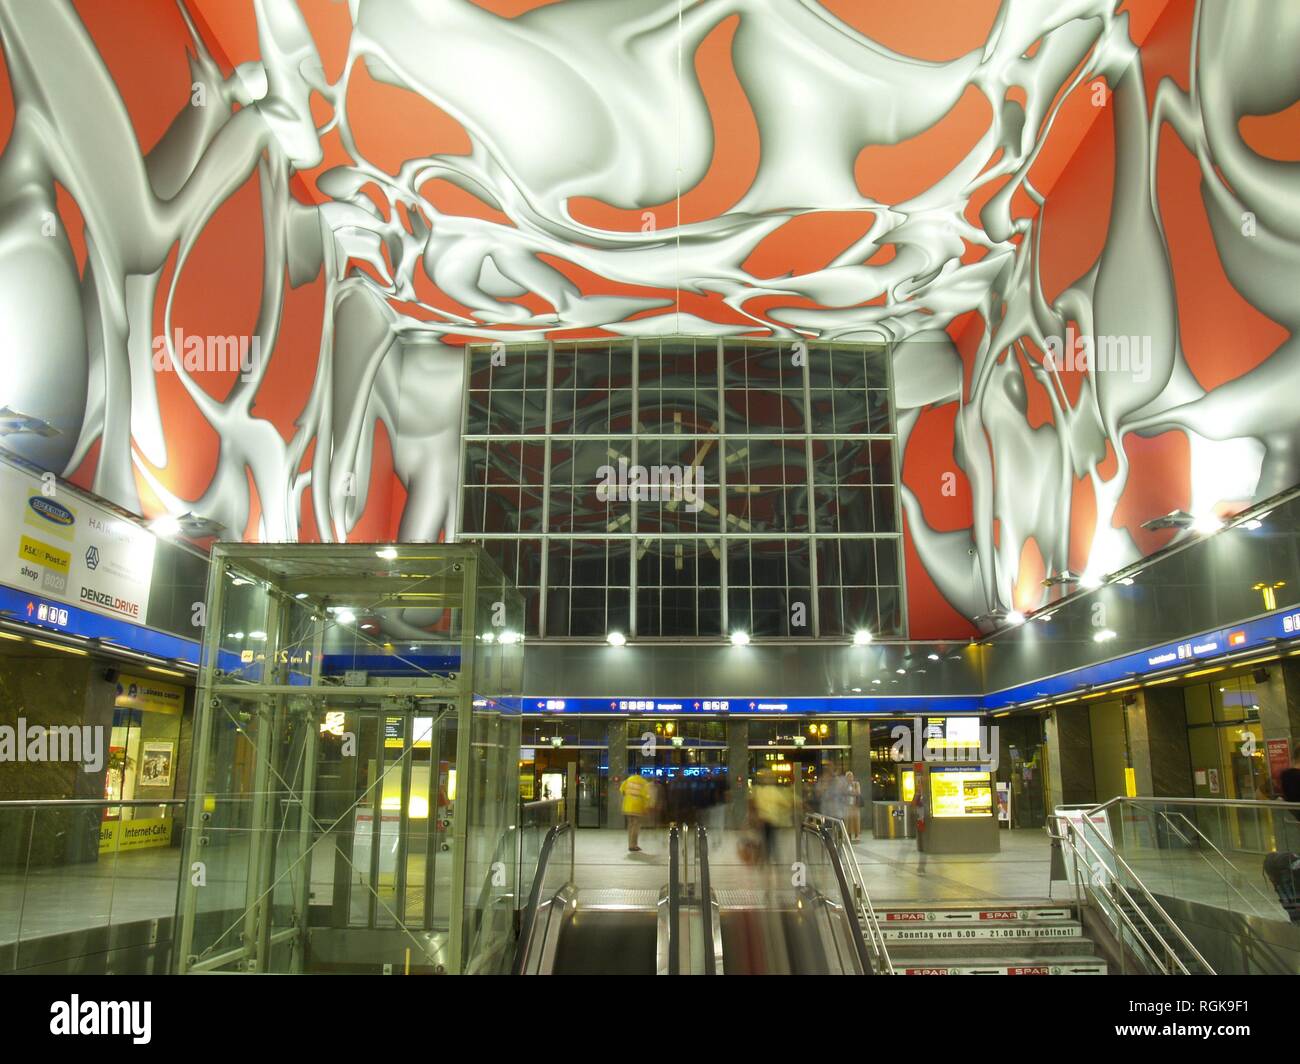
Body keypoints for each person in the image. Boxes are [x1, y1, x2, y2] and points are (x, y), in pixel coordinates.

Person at [620, 771, 651, 852]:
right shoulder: (643, 782)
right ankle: (634, 845)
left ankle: (630, 844)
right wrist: (646, 807)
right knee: (636, 826)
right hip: (637, 807)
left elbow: (622, 790)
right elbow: (646, 796)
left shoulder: (628, 780)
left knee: (630, 826)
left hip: (627, 806)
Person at [844, 770, 862, 841]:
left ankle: (857, 835)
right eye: (848, 776)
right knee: (848, 821)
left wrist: (849, 792)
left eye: (851, 776)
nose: (850, 778)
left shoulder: (856, 784)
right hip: (847, 805)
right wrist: (852, 792)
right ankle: (848, 836)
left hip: (855, 806)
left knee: (856, 820)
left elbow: (858, 793)